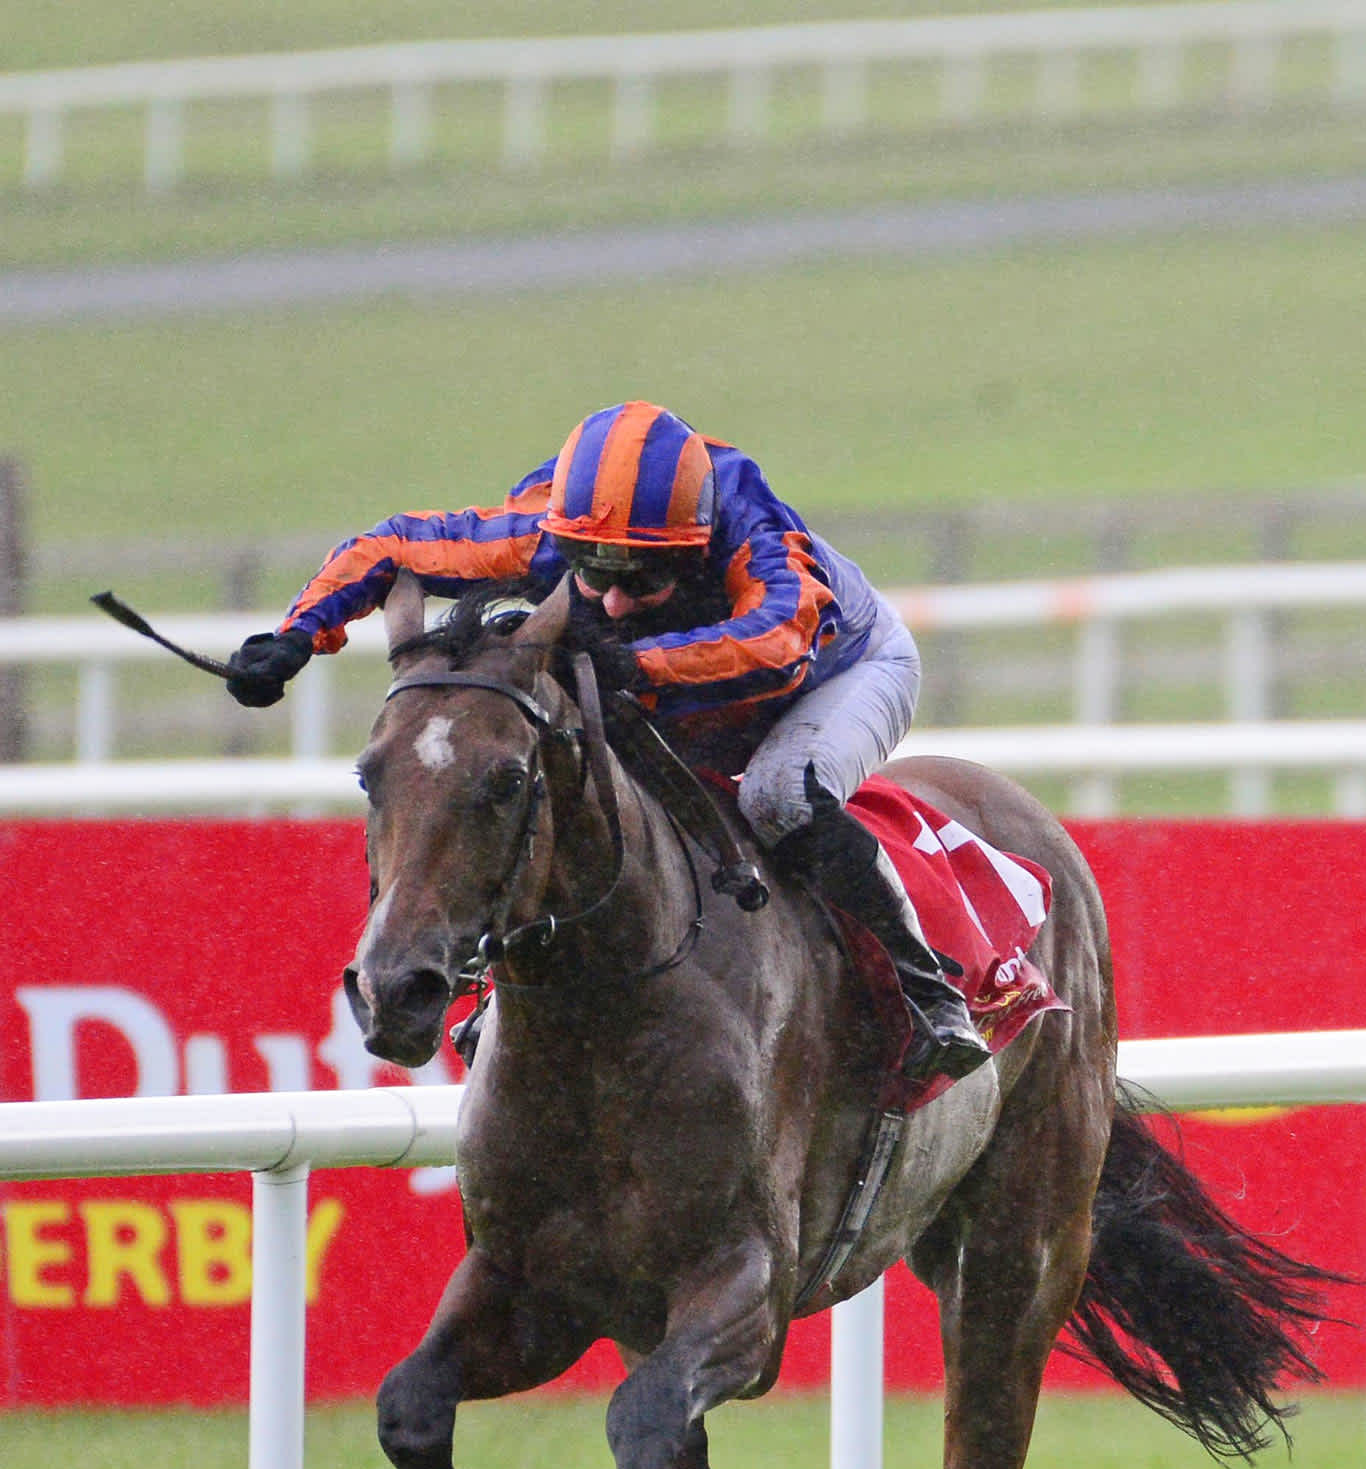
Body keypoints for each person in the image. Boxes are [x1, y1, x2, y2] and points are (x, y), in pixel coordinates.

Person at [226, 401, 989, 1082]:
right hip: (694, 668)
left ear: (693, 550)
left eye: (645, 580)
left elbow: (777, 646)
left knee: (777, 797)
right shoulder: (542, 534)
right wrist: (294, 637)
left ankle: (924, 988)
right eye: (596, 574)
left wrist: (635, 664)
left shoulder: (754, 538)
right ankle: (504, 991)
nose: (617, 599)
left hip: (841, 668)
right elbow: (389, 547)